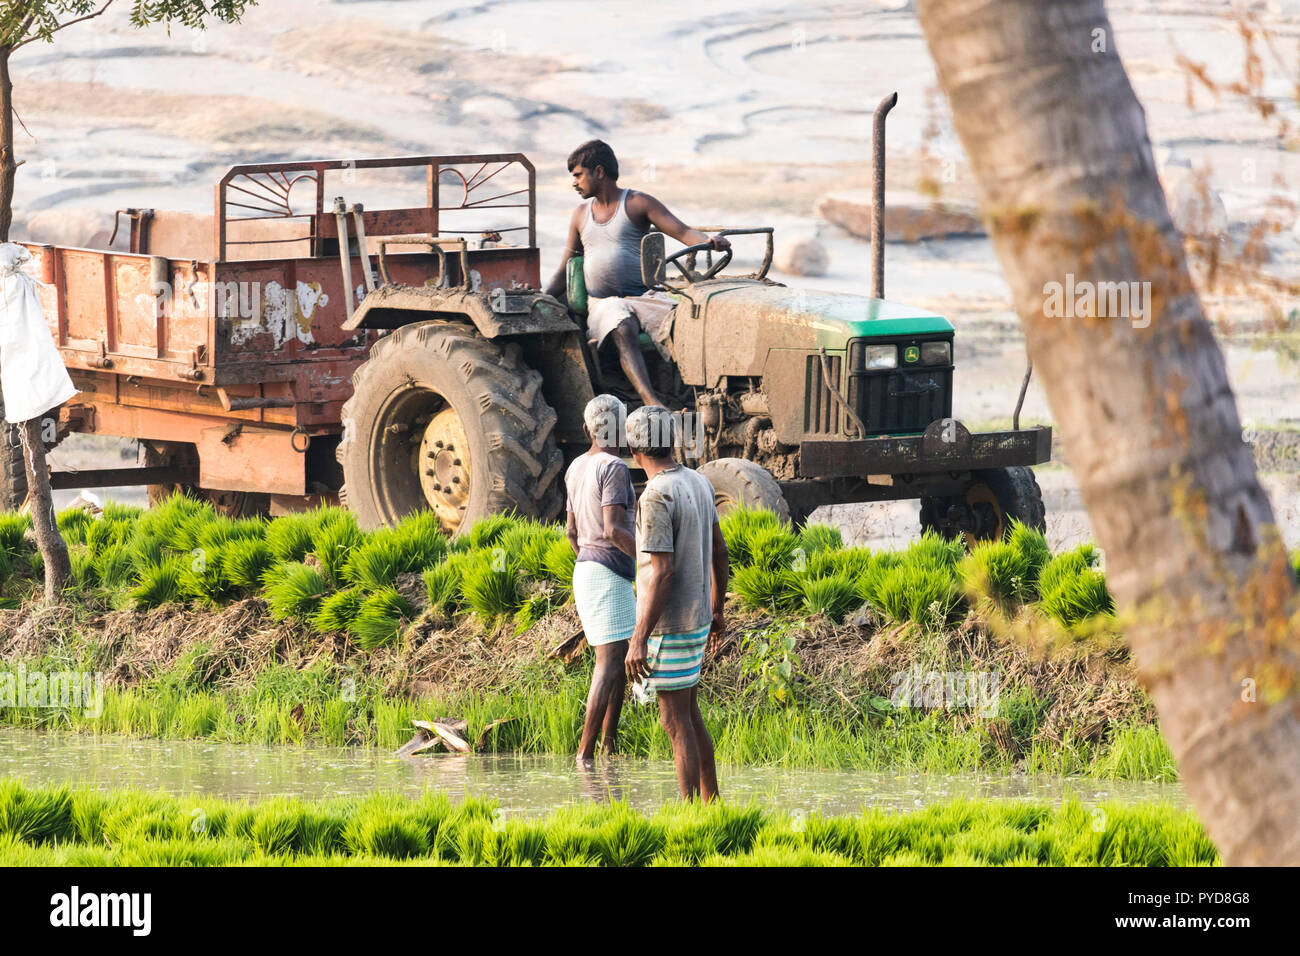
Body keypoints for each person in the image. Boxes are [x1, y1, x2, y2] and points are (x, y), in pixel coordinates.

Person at [544, 140, 731, 408]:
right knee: (622, 322)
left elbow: (682, 232)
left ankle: (700, 397)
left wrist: (710, 240)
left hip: (645, 297)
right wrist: (542, 297)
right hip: (603, 303)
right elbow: (565, 268)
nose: (574, 183)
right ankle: (651, 401)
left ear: (598, 171)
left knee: (691, 320)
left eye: (577, 175)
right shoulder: (580, 215)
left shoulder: (636, 203)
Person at [623, 405, 728, 801]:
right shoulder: (698, 481)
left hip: (670, 625)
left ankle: (686, 813)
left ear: (635, 452)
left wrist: (638, 638)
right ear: (671, 441)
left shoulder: (655, 496)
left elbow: (663, 573)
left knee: (673, 720)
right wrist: (717, 610)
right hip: (698, 617)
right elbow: (721, 552)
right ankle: (710, 803)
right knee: (689, 714)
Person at [565, 394, 638, 765]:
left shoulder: (576, 466)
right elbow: (613, 529)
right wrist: (644, 557)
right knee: (608, 663)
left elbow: (570, 532)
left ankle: (609, 745)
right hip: (607, 570)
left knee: (618, 658)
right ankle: (585, 753)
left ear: (586, 429)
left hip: (586, 568)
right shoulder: (614, 467)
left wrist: (588, 557)